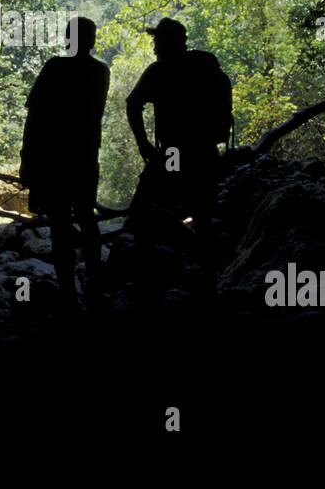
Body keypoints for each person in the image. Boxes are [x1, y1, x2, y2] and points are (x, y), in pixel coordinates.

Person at [19, 16, 109, 311]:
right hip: (83, 157)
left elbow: (34, 117)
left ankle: (69, 293)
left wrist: (27, 157)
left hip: (53, 159)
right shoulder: (100, 72)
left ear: (68, 38)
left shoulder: (54, 68)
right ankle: (96, 288)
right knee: (86, 217)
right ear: (92, 40)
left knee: (59, 225)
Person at [125, 17, 229, 231]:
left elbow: (133, 104)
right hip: (205, 151)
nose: (154, 48)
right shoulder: (205, 65)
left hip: (173, 152)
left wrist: (144, 145)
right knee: (202, 211)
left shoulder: (159, 71)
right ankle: (203, 258)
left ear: (164, 42)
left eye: (156, 41)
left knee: (144, 211)